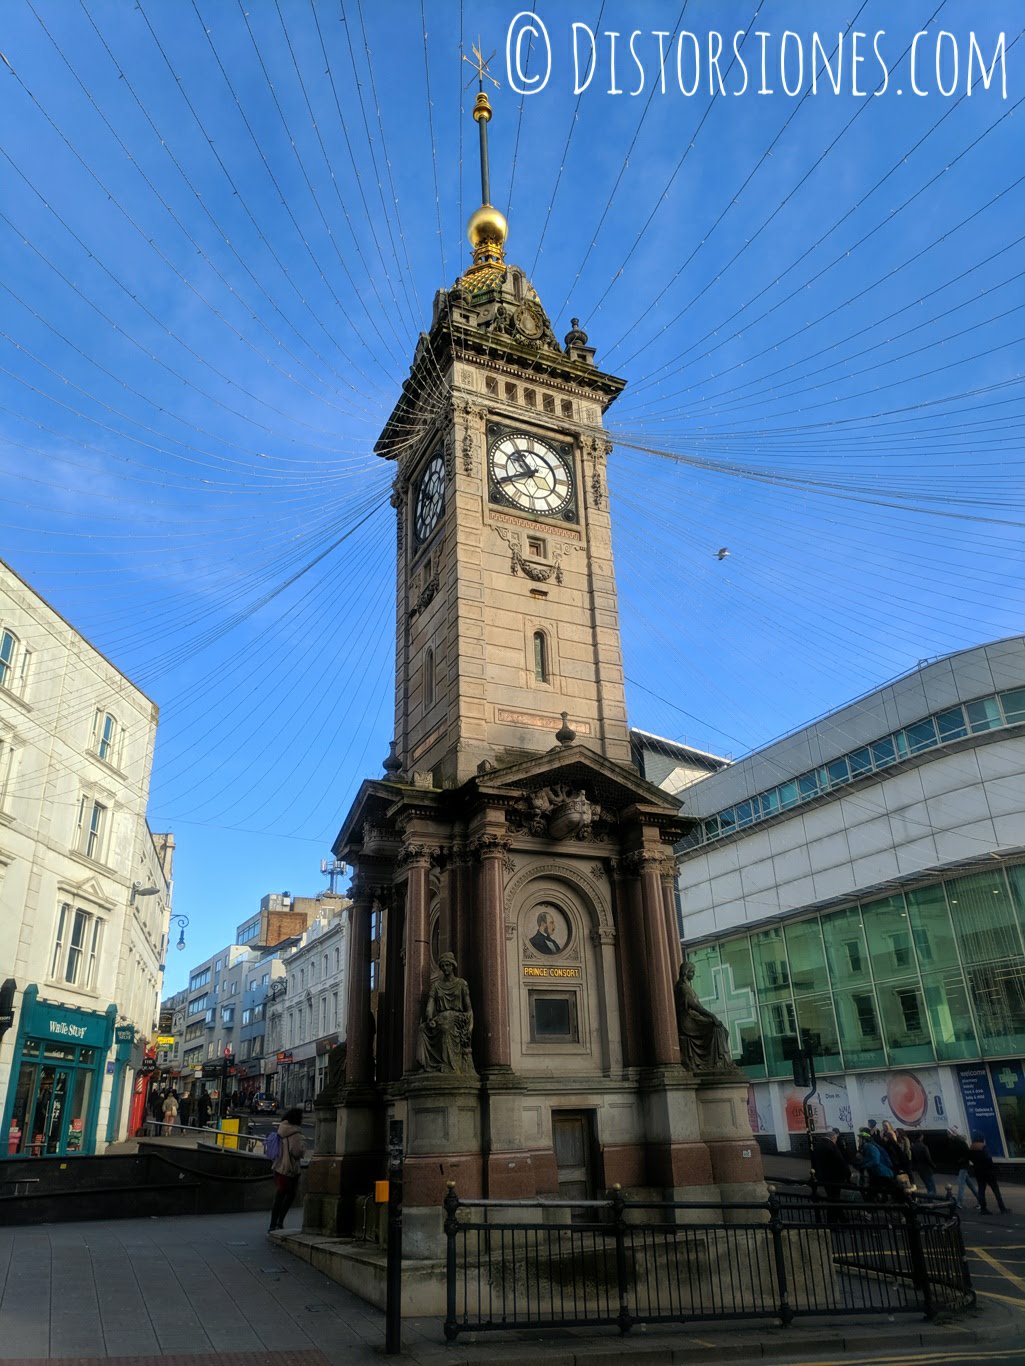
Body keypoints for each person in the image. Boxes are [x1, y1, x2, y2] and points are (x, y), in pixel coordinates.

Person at [417, 954, 474, 1073]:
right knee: (422, 1029)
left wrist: (470, 1025)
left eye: (447, 965)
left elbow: (469, 1009)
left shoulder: (461, 984)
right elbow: (430, 1006)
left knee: (445, 1028)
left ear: (453, 966)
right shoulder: (436, 986)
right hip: (441, 1017)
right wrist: (429, 1018)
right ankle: (427, 1066)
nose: (445, 968)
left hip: (457, 1018)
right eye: (442, 966)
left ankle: (449, 1065)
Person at [674, 961, 734, 1072]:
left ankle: (722, 1060)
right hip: (688, 1021)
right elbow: (695, 1006)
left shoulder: (687, 986)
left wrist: (710, 1017)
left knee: (721, 1029)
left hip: (694, 1018)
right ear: (685, 972)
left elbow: (698, 1006)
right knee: (716, 1028)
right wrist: (712, 1016)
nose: (694, 974)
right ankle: (718, 1061)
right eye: (691, 971)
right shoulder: (683, 988)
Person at [268, 1107, 307, 1233]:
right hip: (290, 1169)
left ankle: (272, 1224)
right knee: (290, 1195)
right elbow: (297, 1152)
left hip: (279, 1166)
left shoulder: (282, 1129)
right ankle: (279, 1222)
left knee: (279, 1196)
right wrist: (303, 1145)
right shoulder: (295, 1134)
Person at [856, 1127, 902, 1200]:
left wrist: (864, 1165)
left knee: (874, 1190)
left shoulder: (869, 1146)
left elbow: (876, 1160)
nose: (858, 1140)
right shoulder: (868, 1146)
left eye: (860, 1138)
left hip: (881, 1173)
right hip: (882, 1173)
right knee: (884, 1190)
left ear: (864, 1140)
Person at [969, 1132, 1008, 1215]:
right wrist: (993, 1167)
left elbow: (970, 1158)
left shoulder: (971, 1147)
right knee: (995, 1189)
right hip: (988, 1171)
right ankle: (1002, 1208)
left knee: (981, 1190)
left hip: (978, 1171)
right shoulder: (983, 1147)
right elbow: (988, 1159)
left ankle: (983, 1208)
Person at [811, 1129, 851, 1206]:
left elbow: (814, 1161)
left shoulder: (818, 1145)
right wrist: (847, 1174)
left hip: (823, 1176)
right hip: (834, 1177)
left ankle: (837, 1215)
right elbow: (840, 1161)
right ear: (833, 1137)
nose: (836, 1141)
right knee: (835, 1196)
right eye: (835, 1139)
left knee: (830, 1196)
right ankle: (835, 1215)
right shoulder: (832, 1146)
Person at [949, 1126, 981, 1209]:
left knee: (961, 1183)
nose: (948, 1134)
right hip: (962, 1165)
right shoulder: (955, 1142)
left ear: (953, 1133)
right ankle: (981, 1200)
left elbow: (967, 1153)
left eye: (949, 1133)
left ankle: (959, 1202)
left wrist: (961, 1160)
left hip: (963, 1165)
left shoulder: (960, 1142)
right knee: (969, 1184)